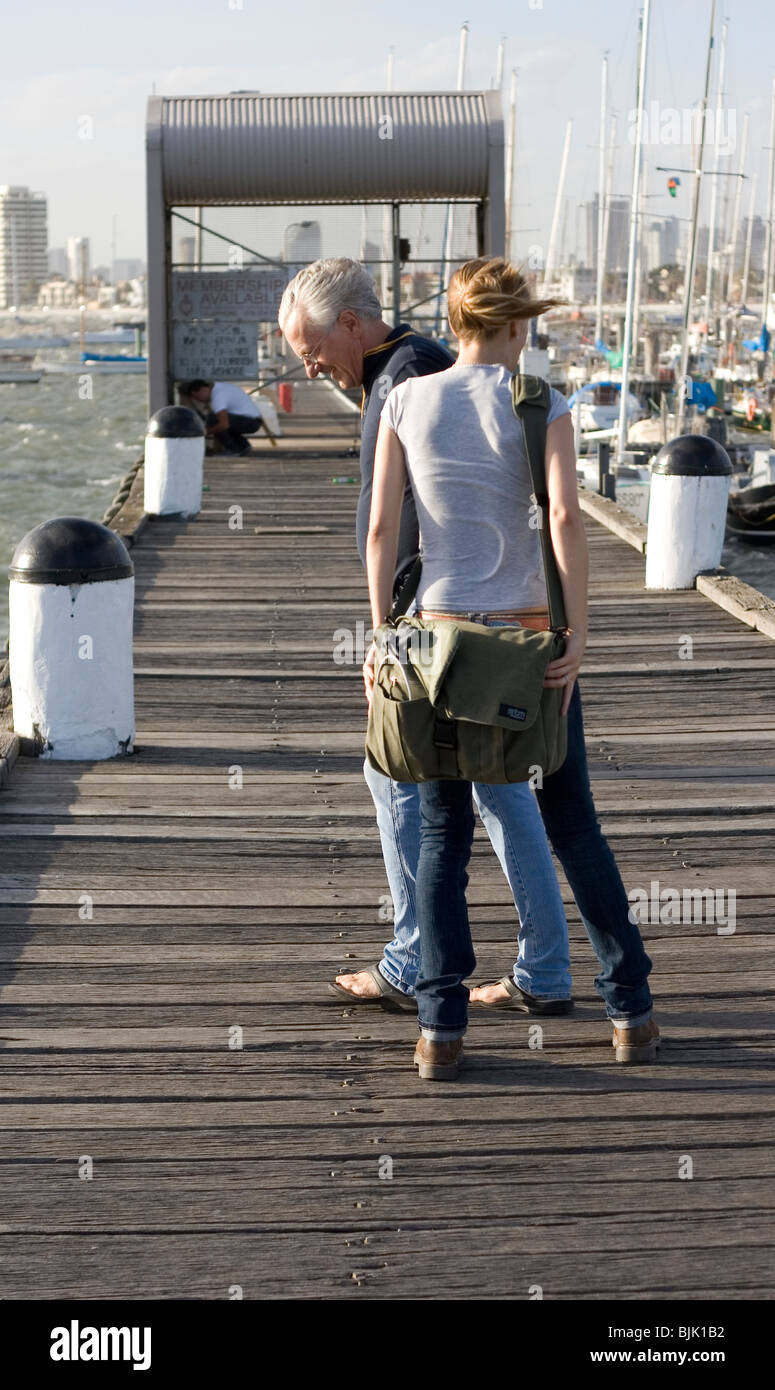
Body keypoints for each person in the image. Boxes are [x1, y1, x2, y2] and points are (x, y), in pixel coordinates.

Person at [279, 256, 658, 1072]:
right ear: (515, 325)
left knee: (442, 838)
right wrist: (576, 634)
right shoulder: (540, 403)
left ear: (452, 323)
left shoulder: (405, 400)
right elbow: (562, 520)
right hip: (527, 645)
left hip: (436, 645)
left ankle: (439, 1031)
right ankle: (628, 1011)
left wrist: (382, 635)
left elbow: (383, 530)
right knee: (574, 826)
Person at [186, 379, 263, 455]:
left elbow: (223, 425)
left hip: (250, 422)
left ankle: (232, 449)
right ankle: (243, 446)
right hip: (254, 420)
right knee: (224, 422)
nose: (199, 400)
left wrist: (205, 432)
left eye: (197, 397)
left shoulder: (217, 396)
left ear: (202, 389)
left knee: (213, 418)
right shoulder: (221, 387)